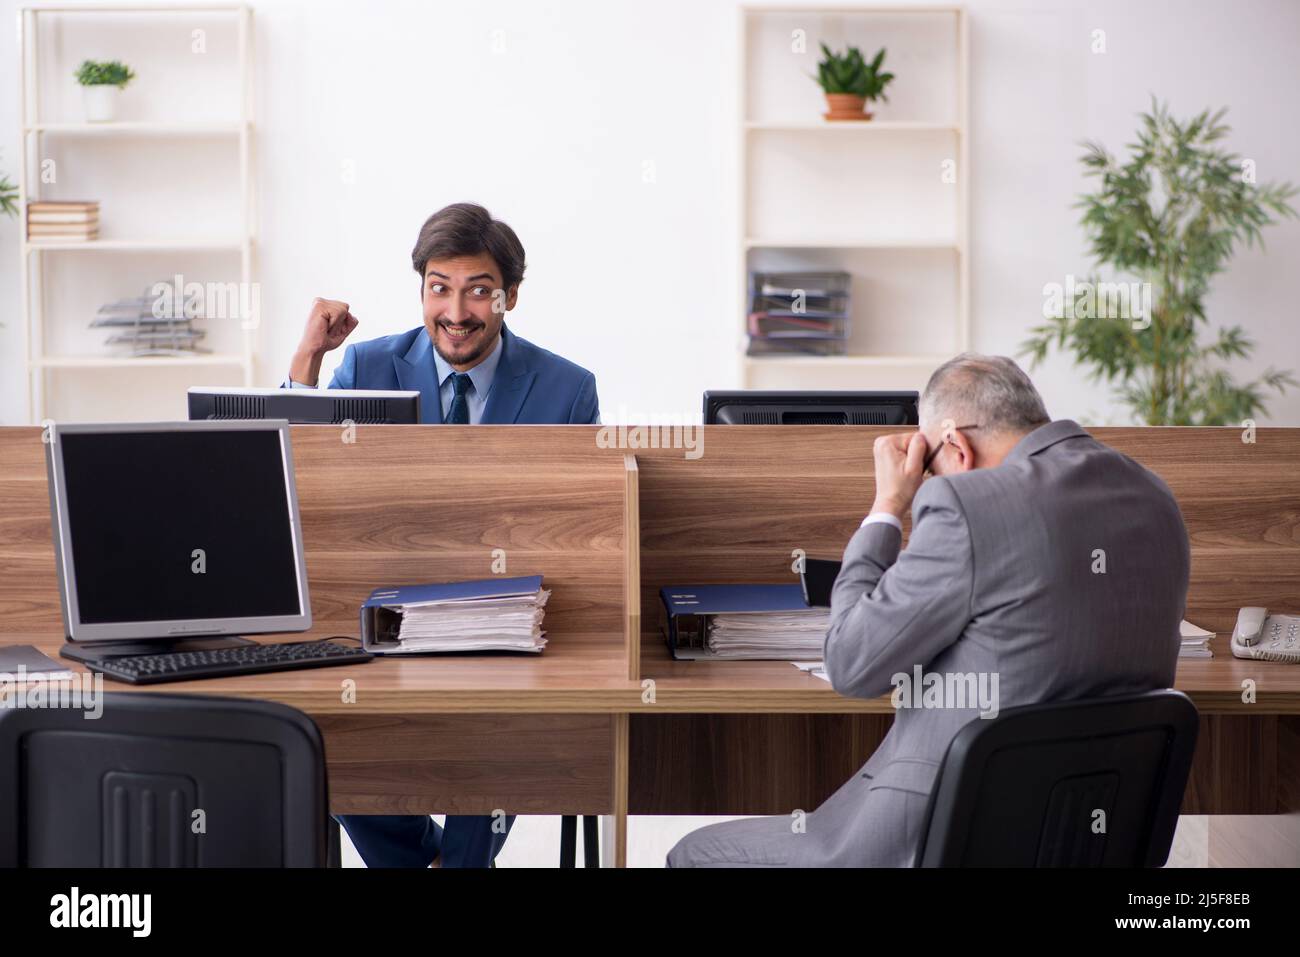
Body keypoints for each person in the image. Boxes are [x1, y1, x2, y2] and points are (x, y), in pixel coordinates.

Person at [668, 353, 1190, 867]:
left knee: (695, 853)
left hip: (942, 837)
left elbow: (851, 664)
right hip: (1084, 840)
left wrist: (887, 507)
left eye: (929, 468)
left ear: (956, 448)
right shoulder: (1155, 496)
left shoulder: (973, 503)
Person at [286, 202, 600, 867]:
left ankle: (459, 863)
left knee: (511, 723)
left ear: (510, 295)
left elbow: (588, 527)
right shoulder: (369, 367)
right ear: (422, 288)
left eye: (479, 290)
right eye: (440, 287)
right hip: (383, 613)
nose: (457, 311)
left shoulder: (568, 389)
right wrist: (308, 357)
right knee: (330, 726)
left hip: (505, 627)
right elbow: (294, 474)